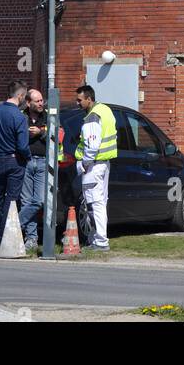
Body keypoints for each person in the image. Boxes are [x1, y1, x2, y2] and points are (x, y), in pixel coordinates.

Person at [0, 80, 30, 255]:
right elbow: (23, 146)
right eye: (24, 96)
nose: (24, 99)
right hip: (14, 161)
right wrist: (28, 157)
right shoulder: (19, 117)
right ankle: (4, 240)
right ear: (20, 95)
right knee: (11, 203)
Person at [74, 84, 118, 252]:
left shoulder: (92, 117)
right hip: (104, 163)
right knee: (100, 202)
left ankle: (100, 241)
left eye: (80, 100)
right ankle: (98, 238)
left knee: (94, 203)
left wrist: (84, 163)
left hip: (93, 165)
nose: (77, 103)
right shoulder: (105, 110)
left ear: (89, 99)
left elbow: (92, 146)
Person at [18, 87, 47, 253]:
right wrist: (27, 135)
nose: (41, 103)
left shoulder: (48, 117)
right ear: (28, 103)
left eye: (42, 100)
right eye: (37, 101)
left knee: (39, 200)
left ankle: (14, 225)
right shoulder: (21, 117)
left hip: (43, 162)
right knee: (26, 201)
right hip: (26, 162)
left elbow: (58, 136)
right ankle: (31, 238)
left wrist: (40, 132)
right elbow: (16, 136)